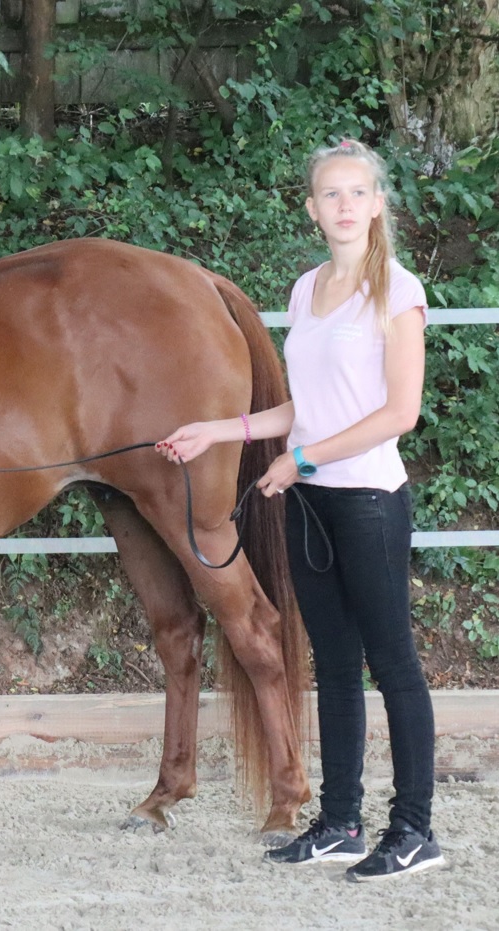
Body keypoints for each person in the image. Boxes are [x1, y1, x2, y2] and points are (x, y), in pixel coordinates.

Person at [157, 139, 441, 882]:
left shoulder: (398, 293)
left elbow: (399, 413)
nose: (344, 206)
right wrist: (216, 429)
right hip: (308, 502)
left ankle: (413, 828)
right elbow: (302, 408)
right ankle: (341, 819)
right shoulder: (305, 290)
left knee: (394, 666)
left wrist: (303, 459)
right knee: (336, 667)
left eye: (357, 193)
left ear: (377, 204)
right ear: (311, 208)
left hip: (370, 502)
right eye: (330, 195)